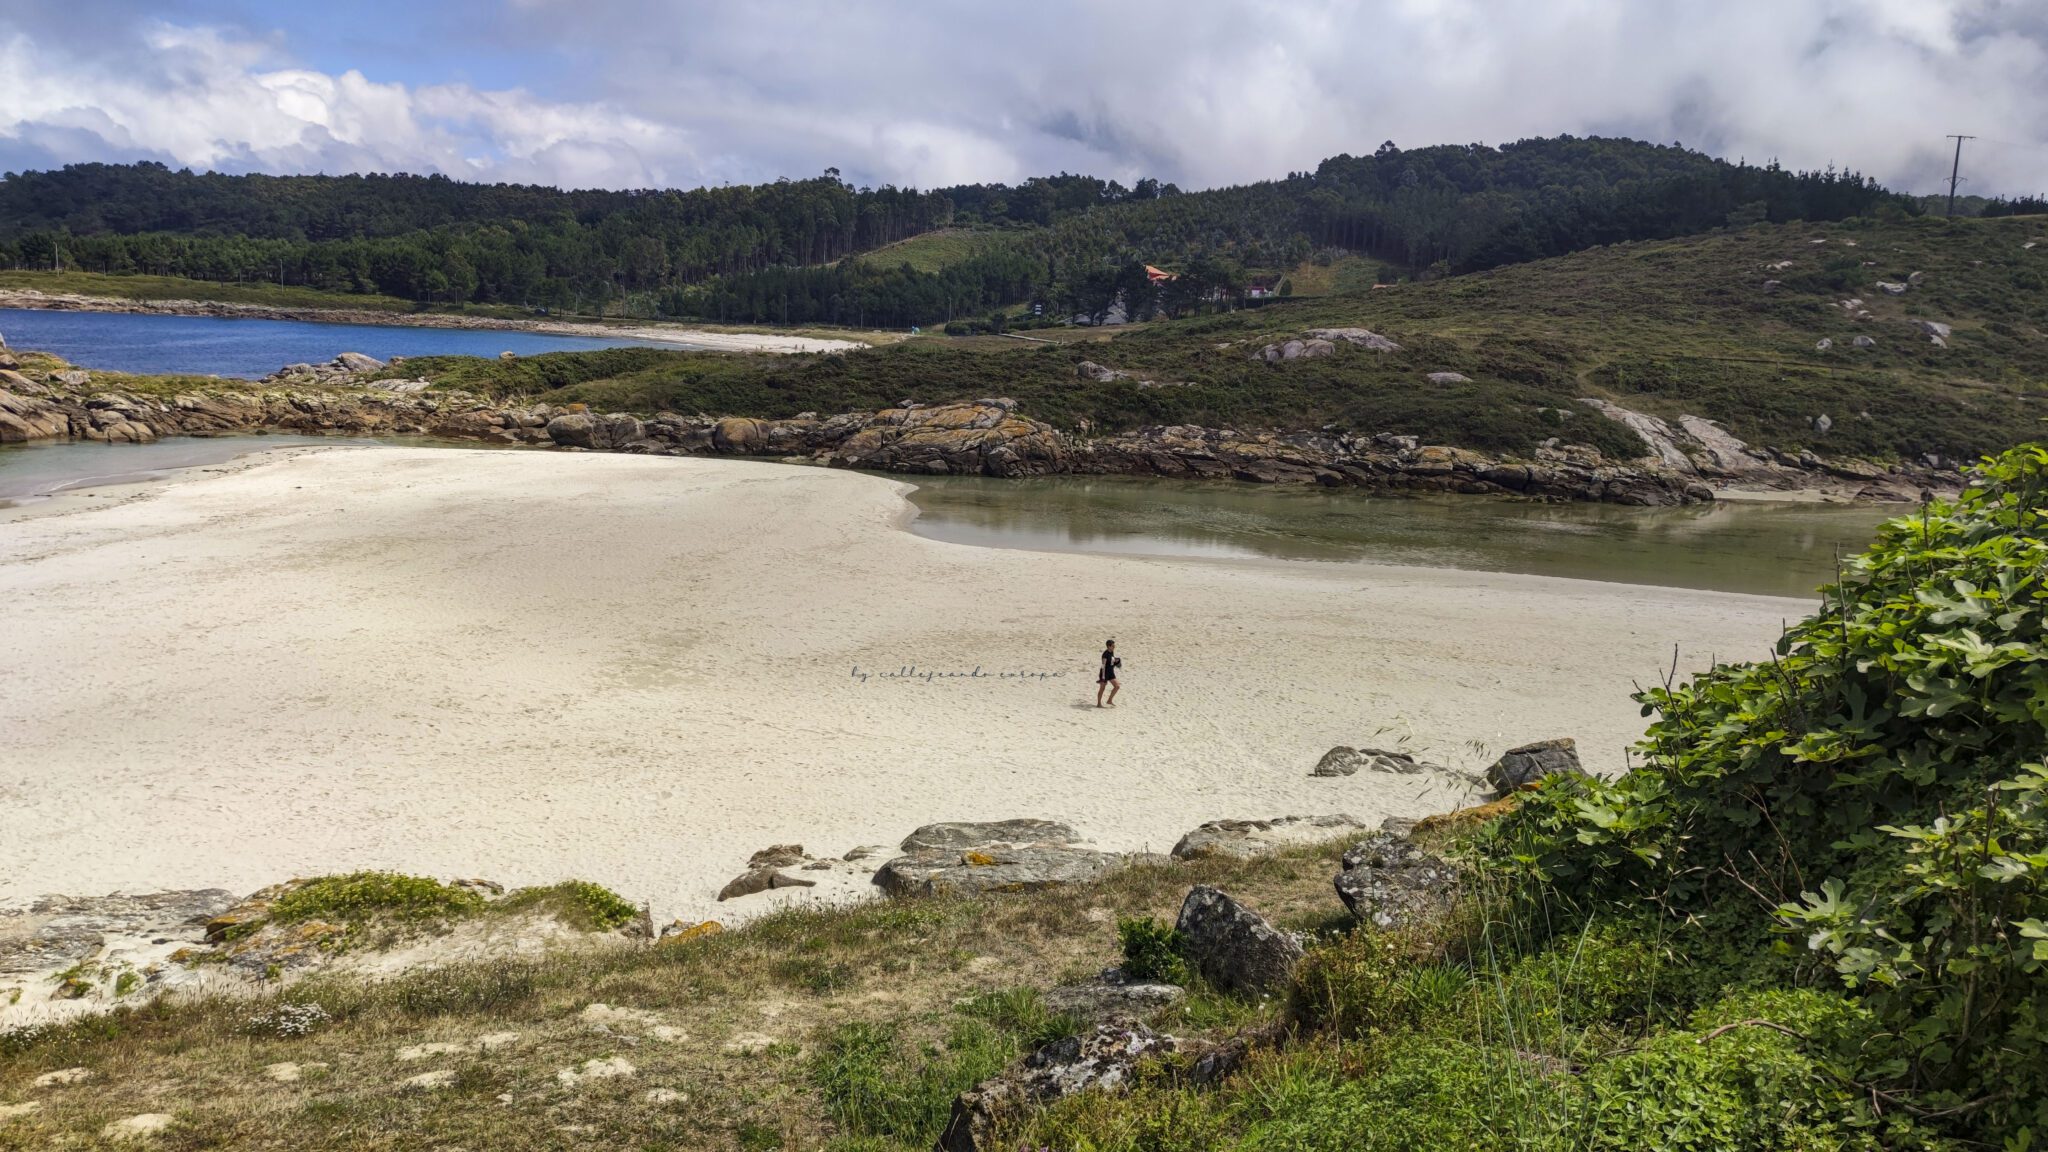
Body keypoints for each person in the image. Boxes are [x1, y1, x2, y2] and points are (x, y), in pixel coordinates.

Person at [1096, 639, 1121, 707]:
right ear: (1108, 646)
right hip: (1104, 673)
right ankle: (1099, 703)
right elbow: (1103, 665)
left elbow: (1111, 660)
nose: (1114, 647)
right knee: (1102, 688)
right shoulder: (1105, 654)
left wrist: (1116, 660)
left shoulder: (1111, 652)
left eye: (1114, 645)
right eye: (1113, 646)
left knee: (1117, 686)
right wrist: (1103, 677)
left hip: (1110, 672)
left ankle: (1109, 700)